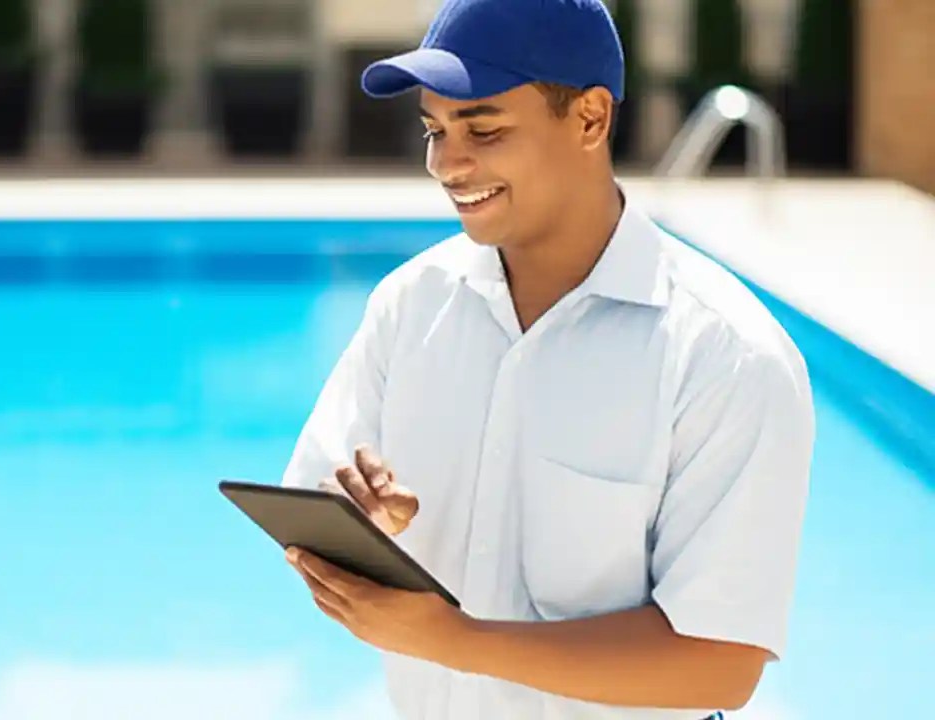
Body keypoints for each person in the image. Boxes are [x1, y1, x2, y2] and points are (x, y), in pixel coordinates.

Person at [277, 0, 817, 718]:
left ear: (591, 118)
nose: (446, 162)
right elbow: (314, 517)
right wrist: (355, 520)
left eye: (485, 129)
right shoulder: (411, 306)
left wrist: (455, 640)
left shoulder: (725, 356)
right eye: (434, 129)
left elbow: (719, 665)